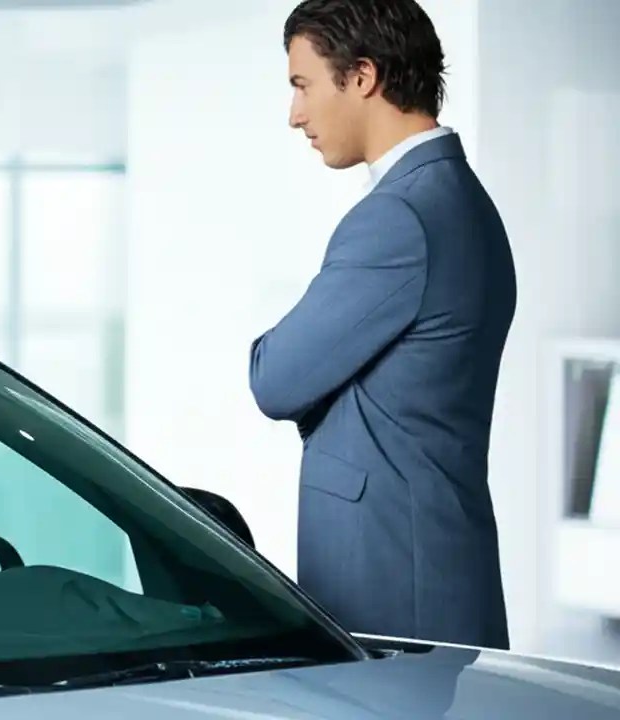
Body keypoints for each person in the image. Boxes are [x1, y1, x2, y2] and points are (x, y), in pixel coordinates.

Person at [248, 0, 515, 650]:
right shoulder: (461, 201)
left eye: (303, 84)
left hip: (398, 593)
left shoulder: (398, 218)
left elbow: (275, 378)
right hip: (432, 576)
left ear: (362, 76)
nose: (295, 115)